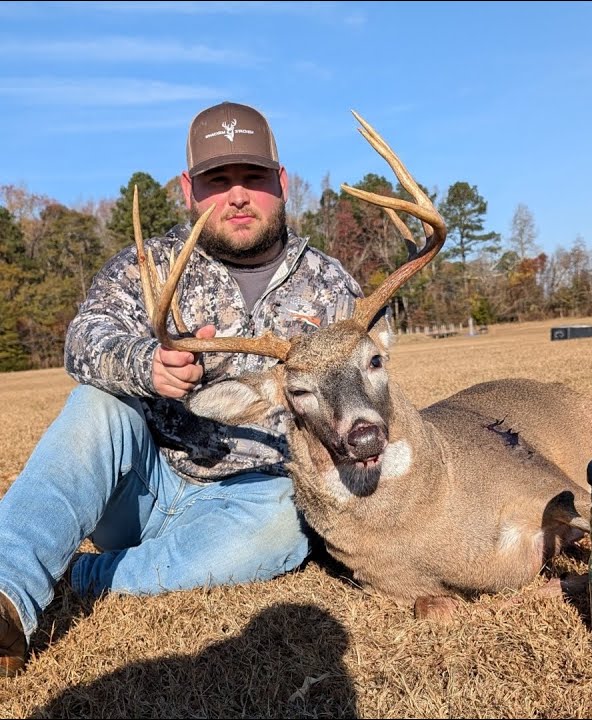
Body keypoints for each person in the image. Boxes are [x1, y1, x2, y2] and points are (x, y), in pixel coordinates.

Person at [0, 102, 363, 676]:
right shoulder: (148, 264)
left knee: (287, 524)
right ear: (188, 189)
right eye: (218, 180)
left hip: (252, 500)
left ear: (283, 182)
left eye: (254, 178)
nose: (237, 196)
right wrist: (147, 364)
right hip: (143, 481)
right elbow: (84, 339)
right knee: (96, 406)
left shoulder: (333, 286)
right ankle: (5, 595)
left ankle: (86, 575)